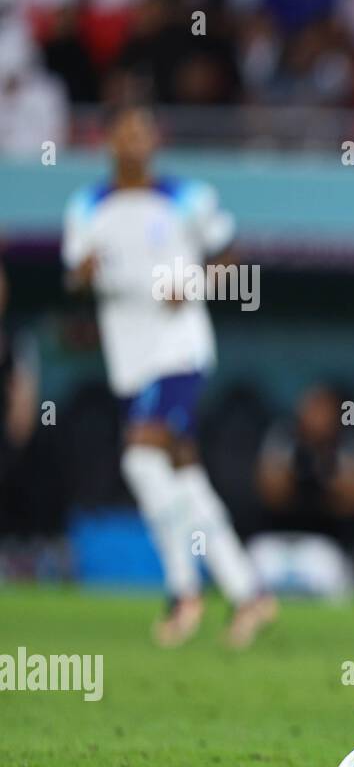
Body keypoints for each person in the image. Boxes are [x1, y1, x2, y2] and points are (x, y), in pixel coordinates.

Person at [62, 104, 275, 648]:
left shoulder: (188, 197)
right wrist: (81, 277)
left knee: (139, 459)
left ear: (154, 140)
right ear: (108, 139)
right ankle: (247, 591)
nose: (134, 141)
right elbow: (73, 278)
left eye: (142, 131)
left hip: (179, 352)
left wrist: (197, 283)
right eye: (123, 131)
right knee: (184, 478)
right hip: (129, 360)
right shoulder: (87, 205)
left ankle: (183, 591)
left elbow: (231, 255)